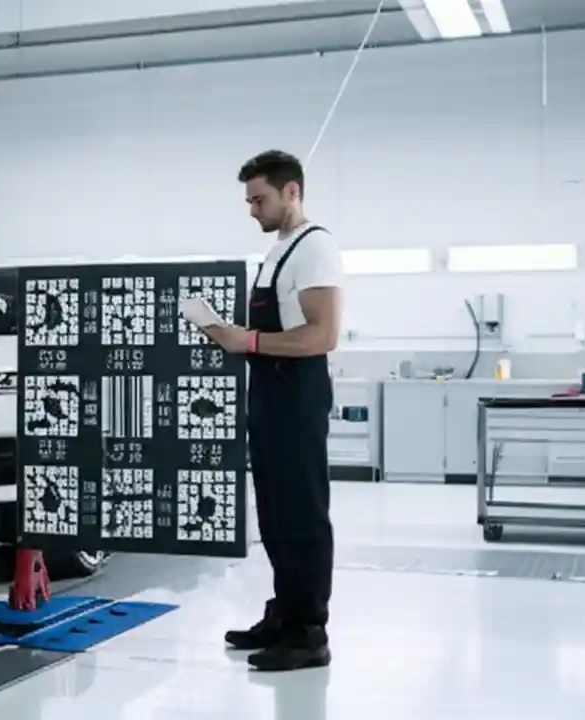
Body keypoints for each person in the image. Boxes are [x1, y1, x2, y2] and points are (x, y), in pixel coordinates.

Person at [200, 149, 343, 672]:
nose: (252, 209)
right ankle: (284, 614)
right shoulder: (280, 251)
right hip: (269, 395)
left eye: (259, 199)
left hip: (297, 397)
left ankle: (309, 632)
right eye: (248, 201)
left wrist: (248, 340)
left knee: (302, 516)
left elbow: (322, 334)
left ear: (292, 192)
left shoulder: (315, 248)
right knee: (276, 515)